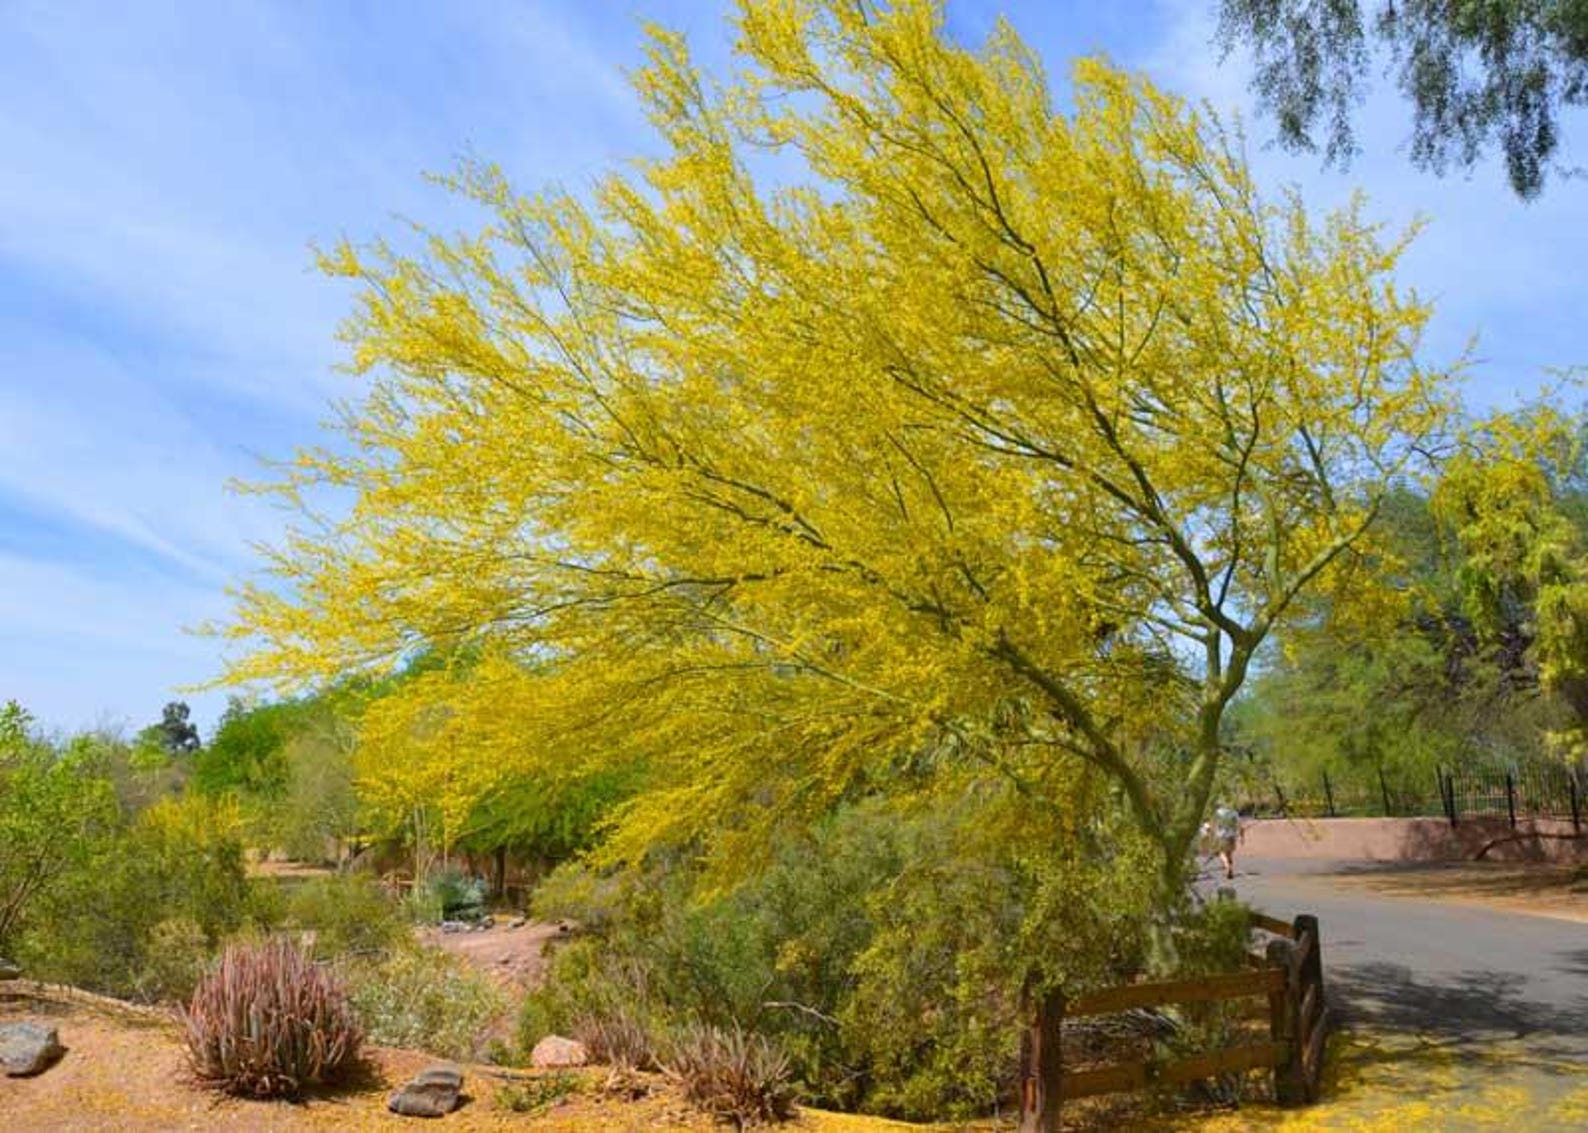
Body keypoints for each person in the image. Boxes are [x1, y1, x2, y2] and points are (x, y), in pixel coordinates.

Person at [1211, 802, 1243, 880]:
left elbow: (1213, 823)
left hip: (1221, 835)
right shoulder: (1234, 813)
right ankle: (1230, 868)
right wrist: (1242, 837)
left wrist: (1212, 834)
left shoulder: (1218, 812)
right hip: (1231, 836)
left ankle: (1227, 866)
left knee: (1221, 852)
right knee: (1229, 854)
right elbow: (1240, 825)